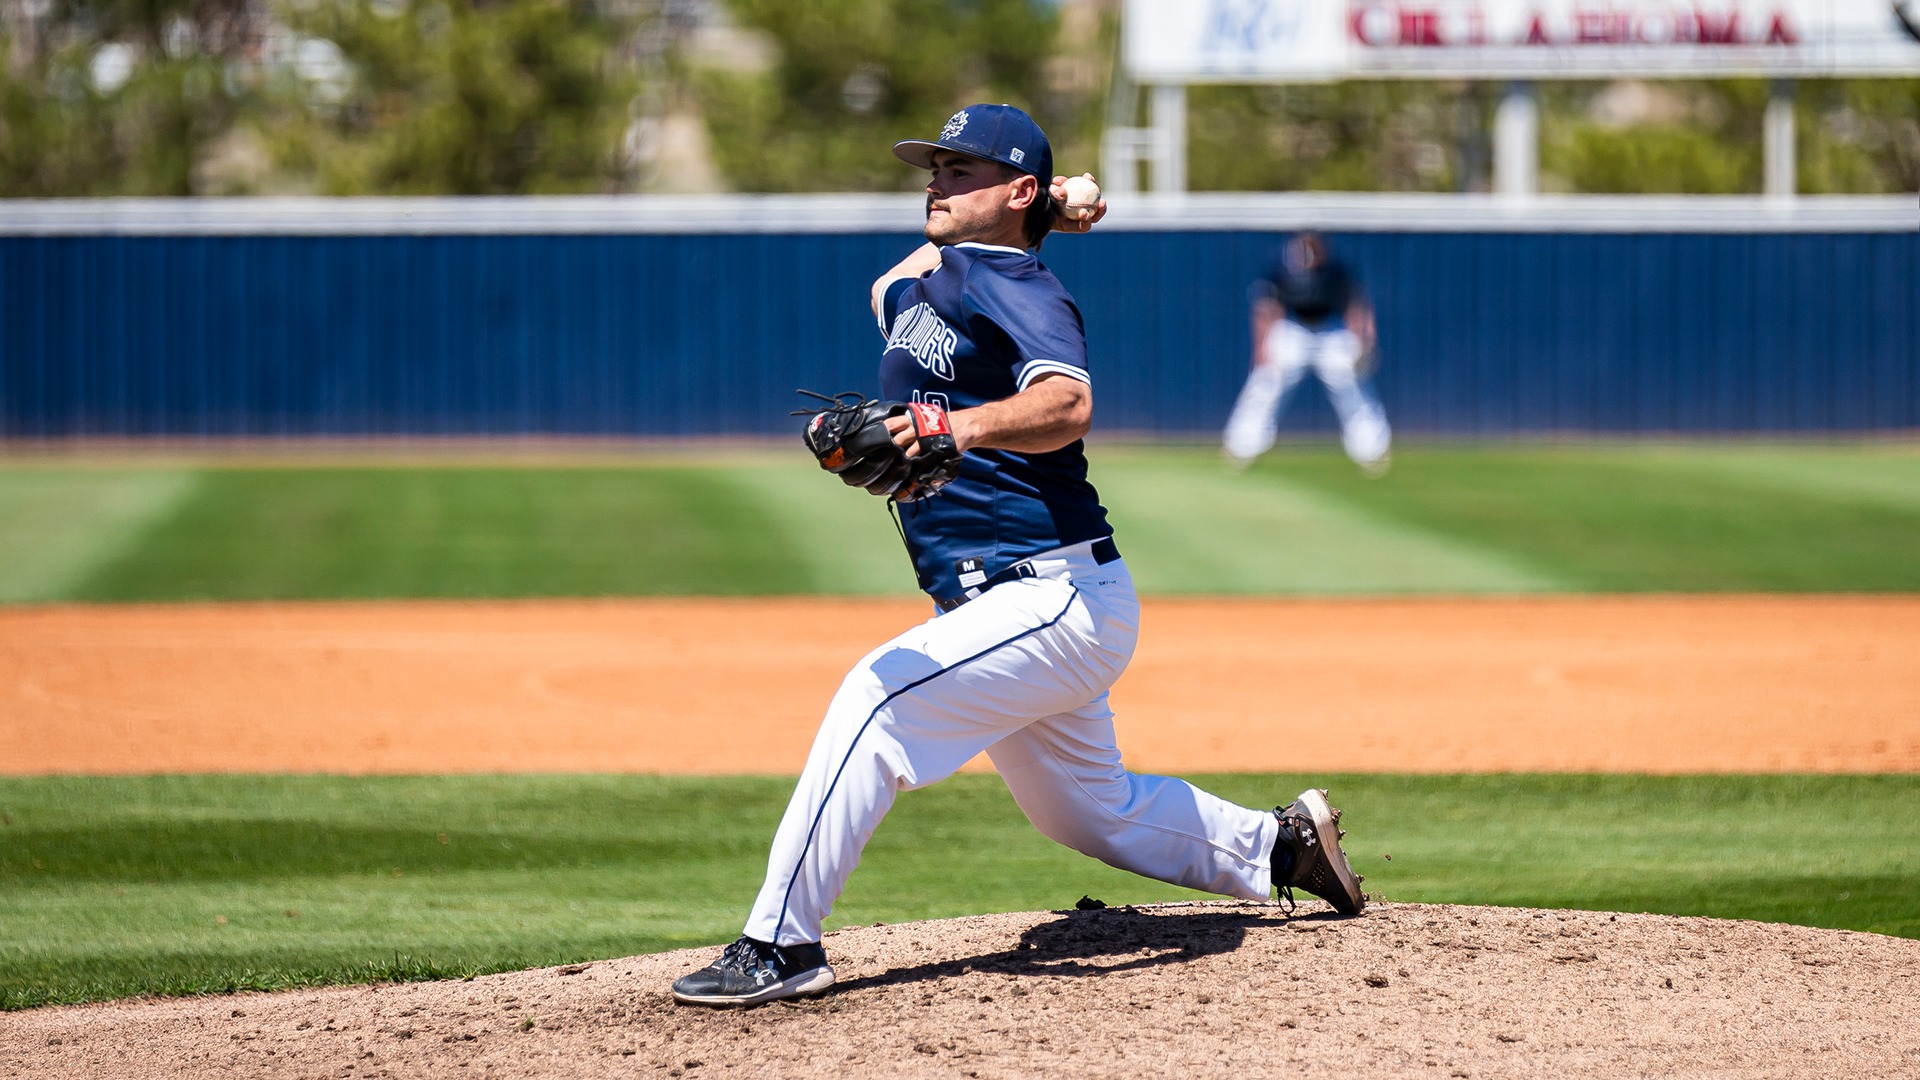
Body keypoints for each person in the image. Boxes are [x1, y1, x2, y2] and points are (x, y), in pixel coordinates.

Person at [670, 105, 1367, 1009]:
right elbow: (895, 280)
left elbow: (1067, 405)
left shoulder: (1023, 289)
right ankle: (1280, 846)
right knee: (1087, 811)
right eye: (935, 166)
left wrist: (948, 422)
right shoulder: (928, 284)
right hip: (1003, 603)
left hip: (1054, 592)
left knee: (876, 699)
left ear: (1013, 188)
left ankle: (780, 944)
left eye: (960, 170)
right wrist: (1052, 208)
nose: (936, 179)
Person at [1222, 232, 1393, 476]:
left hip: (1330, 331)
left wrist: (1364, 340)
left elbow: (1356, 307)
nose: (1307, 255)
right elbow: (1267, 308)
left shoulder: (1336, 272)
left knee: (1354, 389)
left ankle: (1372, 452)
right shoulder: (1283, 270)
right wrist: (1261, 347)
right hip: (1294, 330)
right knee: (1265, 384)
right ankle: (1242, 447)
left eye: (1312, 250)